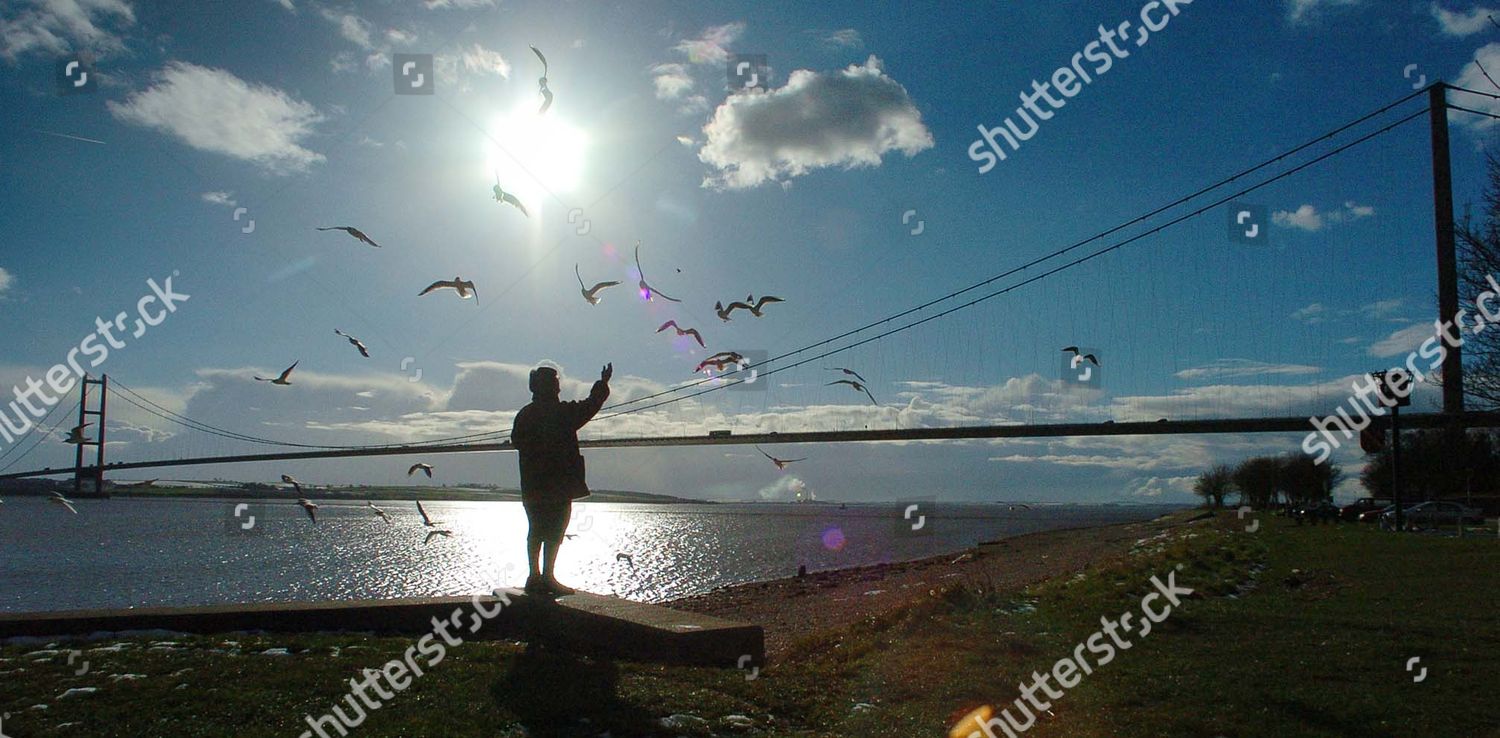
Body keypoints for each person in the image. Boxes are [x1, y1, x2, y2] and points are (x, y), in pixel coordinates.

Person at [511, 362, 612, 595]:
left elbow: (517, 441)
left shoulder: (525, 414)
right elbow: (590, 406)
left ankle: (535, 576)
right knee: (555, 530)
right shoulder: (562, 413)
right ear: (548, 386)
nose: (559, 385)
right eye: (555, 382)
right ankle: (547, 577)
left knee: (535, 529)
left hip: (533, 485)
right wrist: (603, 384)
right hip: (558, 485)